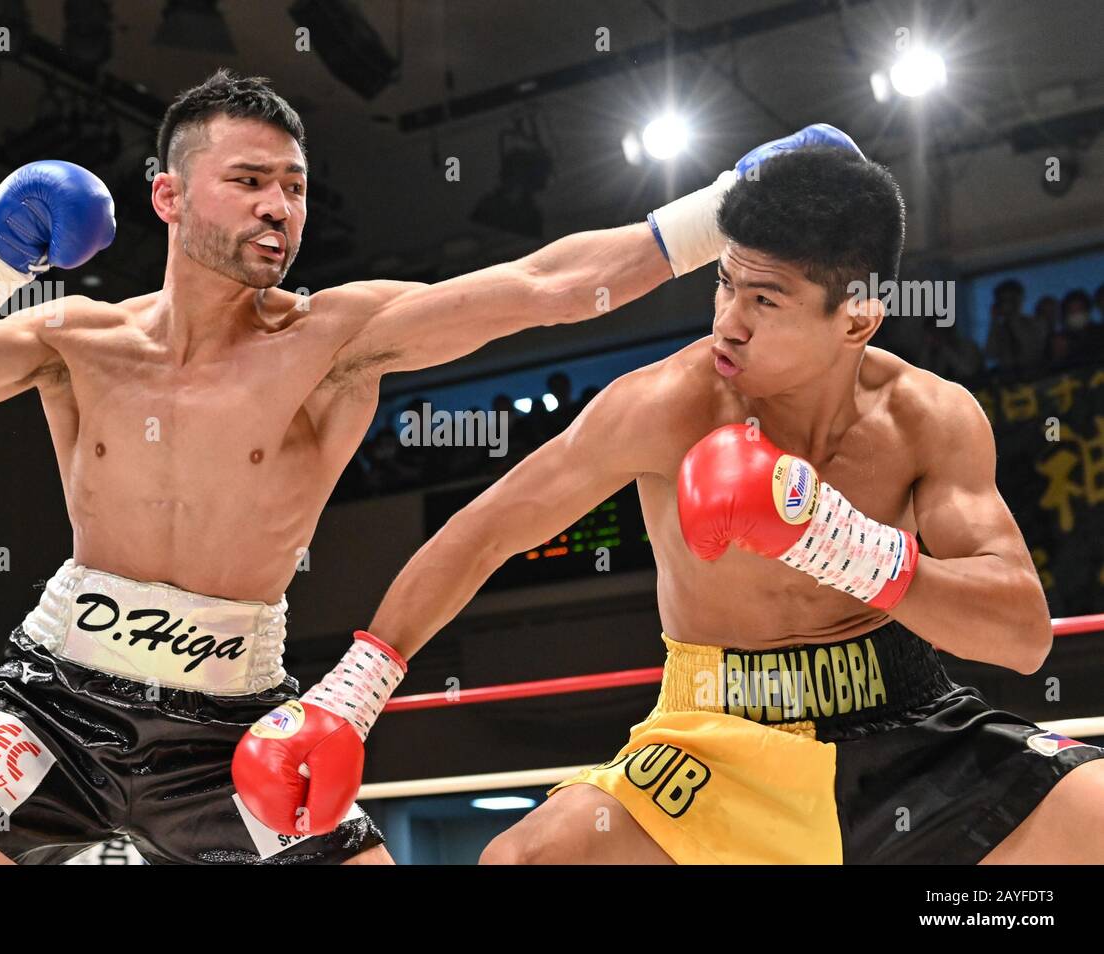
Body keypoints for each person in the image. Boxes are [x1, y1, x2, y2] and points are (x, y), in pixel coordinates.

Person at [0, 71, 804, 864]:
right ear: (170, 196)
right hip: (55, 701)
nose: (280, 206)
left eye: (296, 187)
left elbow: (546, 289)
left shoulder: (333, 340)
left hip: (232, 725)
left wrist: (725, 208)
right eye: (251, 180)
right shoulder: (80, 337)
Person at [250, 145, 1104, 863]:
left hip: (910, 724)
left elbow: (1022, 635)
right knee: (521, 861)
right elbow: (484, 532)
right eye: (726, 284)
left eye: (765, 300)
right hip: (712, 739)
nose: (728, 321)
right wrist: (349, 697)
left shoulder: (929, 418)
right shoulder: (666, 405)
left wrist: (839, 542)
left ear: (858, 319)